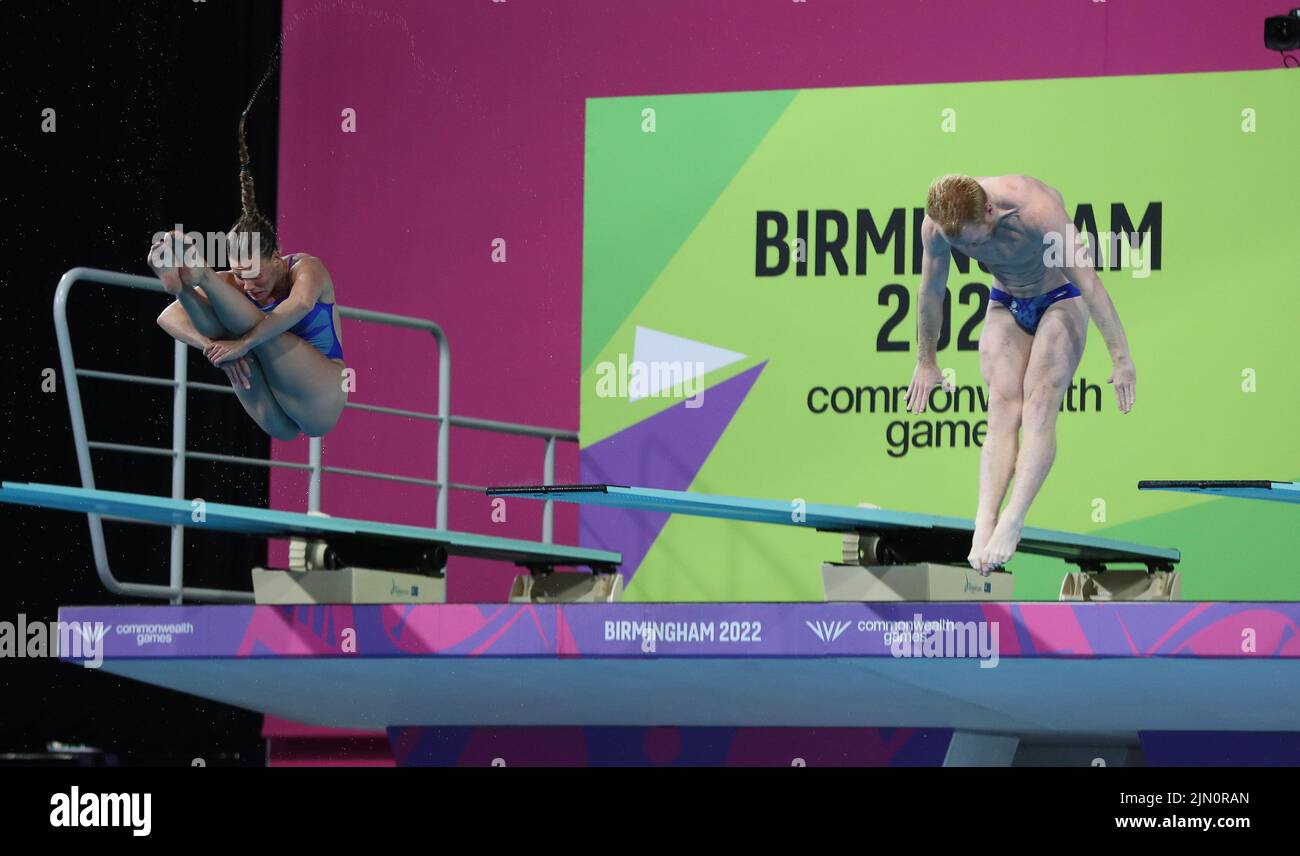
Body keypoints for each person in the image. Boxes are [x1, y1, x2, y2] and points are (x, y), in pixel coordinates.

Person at [907, 174, 1137, 574]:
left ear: (991, 211)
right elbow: (931, 291)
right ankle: (984, 521)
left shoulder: (1038, 211)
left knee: (1040, 399)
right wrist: (927, 360)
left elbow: (1091, 284)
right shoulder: (937, 226)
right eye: (961, 245)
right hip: (1007, 298)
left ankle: (1014, 518)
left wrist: (1120, 358)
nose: (972, 251)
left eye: (975, 242)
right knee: (1000, 404)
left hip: (1061, 296)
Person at [148, 120, 346, 440]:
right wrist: (215, 350)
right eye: (239, 274)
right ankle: (183, 285)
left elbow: (298, 306)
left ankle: (202, 276)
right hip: (276, 416)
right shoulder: (239, 285)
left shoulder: (307, 269)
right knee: (224, 325)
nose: (248, 284)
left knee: (249, 326)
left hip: (321, 397)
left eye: (255, 273)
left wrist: (241, 344)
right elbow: (166, 317)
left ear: (277, 257)